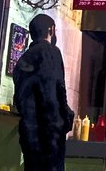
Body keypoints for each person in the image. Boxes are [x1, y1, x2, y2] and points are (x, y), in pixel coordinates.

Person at [13, 14, 74, 171]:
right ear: (51, 30)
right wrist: (65, 118)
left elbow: (19, 98)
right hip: (49, 132)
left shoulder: (24, 58)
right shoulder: (52, 52)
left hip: (29, 132)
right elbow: (56, 90)